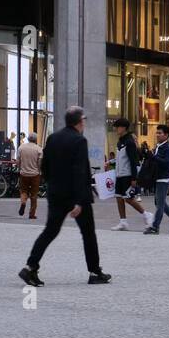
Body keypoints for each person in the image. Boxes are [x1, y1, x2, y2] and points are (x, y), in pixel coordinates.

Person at [19, 106, 110, 286]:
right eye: (83, 119)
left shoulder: (53, 138)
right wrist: (79, 201)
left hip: (56, 194)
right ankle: (94, 271)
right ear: (79, 122)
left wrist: (53, 185)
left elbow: (44, 167)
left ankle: (30, 267)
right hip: (75, 195)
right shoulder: (79, 141)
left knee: (50, 230)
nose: (84, 122)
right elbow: (80, 171)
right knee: (88, 233)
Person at [109, 118, 153, 231]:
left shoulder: (129, 142)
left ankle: (147, 215)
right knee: (118, 197)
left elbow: (134, 160)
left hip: (128, 175)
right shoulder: (120, 141)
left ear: (123, 128)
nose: (115, 129)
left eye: (117, 126)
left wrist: (134, 178)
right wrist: (109, 163)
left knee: (128, 198)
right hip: (119, 174)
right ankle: (123, 222)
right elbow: (120, 158)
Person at [143, 125, 169, 235]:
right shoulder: (159, 146)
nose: (157, 135)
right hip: (158, 177)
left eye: (160, 133)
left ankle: (155, 227)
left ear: (166, 135)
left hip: (163, 177)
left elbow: (167, 163)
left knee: (160, 204)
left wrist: (153, 157)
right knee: (159, 202)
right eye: (157, 133)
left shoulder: (168, 148)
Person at [15, 132, 43, 219]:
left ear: (28, 139)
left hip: (23, 174)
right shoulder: (38, 149)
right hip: (35, 174)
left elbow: (18, 161)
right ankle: (32, 214)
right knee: (34, 194)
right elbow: (39, 163)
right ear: (36, 139)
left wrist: (20, 169)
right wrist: (39, 171)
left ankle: (23, 202)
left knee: (23, 191)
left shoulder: (21, 147)